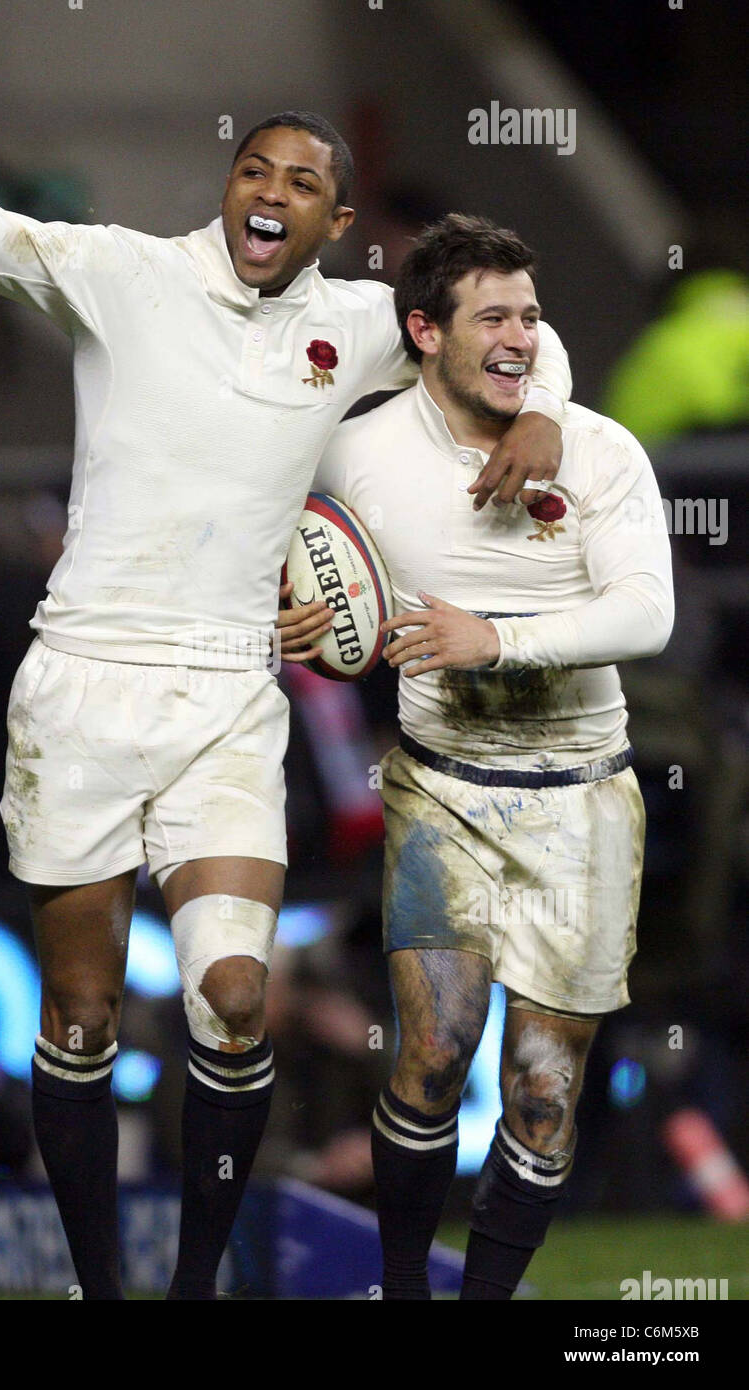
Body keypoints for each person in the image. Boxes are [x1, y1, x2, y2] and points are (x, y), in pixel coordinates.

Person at [0, 13, 573, 1300]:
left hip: (227, 693)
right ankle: (101, 1288)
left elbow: (502, 315)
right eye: (256, 171)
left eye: (302, 183)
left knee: (236, 997)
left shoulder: (361, 323)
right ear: (230, 188)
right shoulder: (120, 274)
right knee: (80, 1016)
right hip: (81, 679)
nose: (271, 193)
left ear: (338, 223)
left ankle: (193, 1287)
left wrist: (540, 415)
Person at [280, 213, 674, 1298]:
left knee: (542, 1092)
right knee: (435, 1047)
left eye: (530, 318)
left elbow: (646, 614)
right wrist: (296, 614)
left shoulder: (595, 449)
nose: (516, 337)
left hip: (584, 799)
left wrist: (490, 639)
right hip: (441, 787)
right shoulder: (354, 452)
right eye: (489, 316)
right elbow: (283, 546)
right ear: (422, 332)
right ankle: (403, 1287)